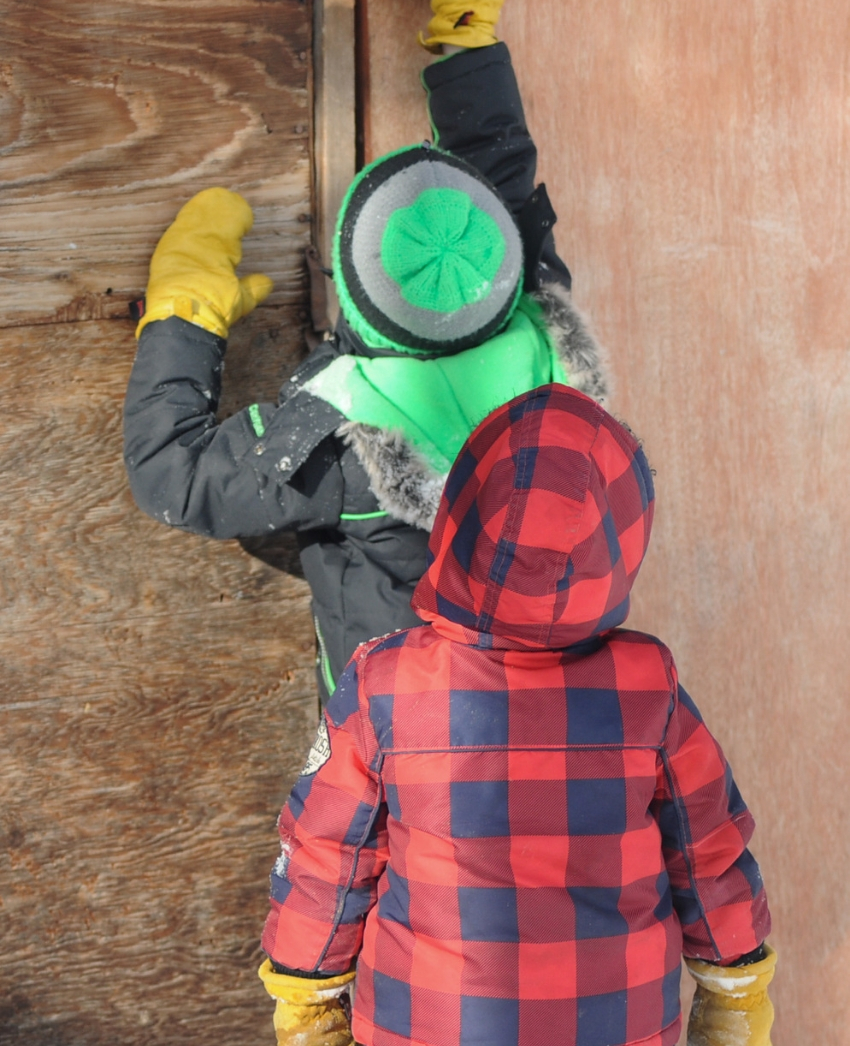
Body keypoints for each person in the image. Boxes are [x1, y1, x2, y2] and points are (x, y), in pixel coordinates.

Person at [123, 0, 607, 702]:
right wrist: (470, 48)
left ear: (352, 302)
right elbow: (502, 197)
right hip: (533, 712)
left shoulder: (351, 448)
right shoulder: (543, 345)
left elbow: (171, 478)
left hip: (388, 755)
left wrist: (184, 311)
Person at [257, 384, 776, 1046]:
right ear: (621, 541)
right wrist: (737, 988)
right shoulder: (648, 688)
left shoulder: (384, 685)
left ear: (457, 518)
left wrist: (307, 993)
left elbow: (327, 854)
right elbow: (710, 851)